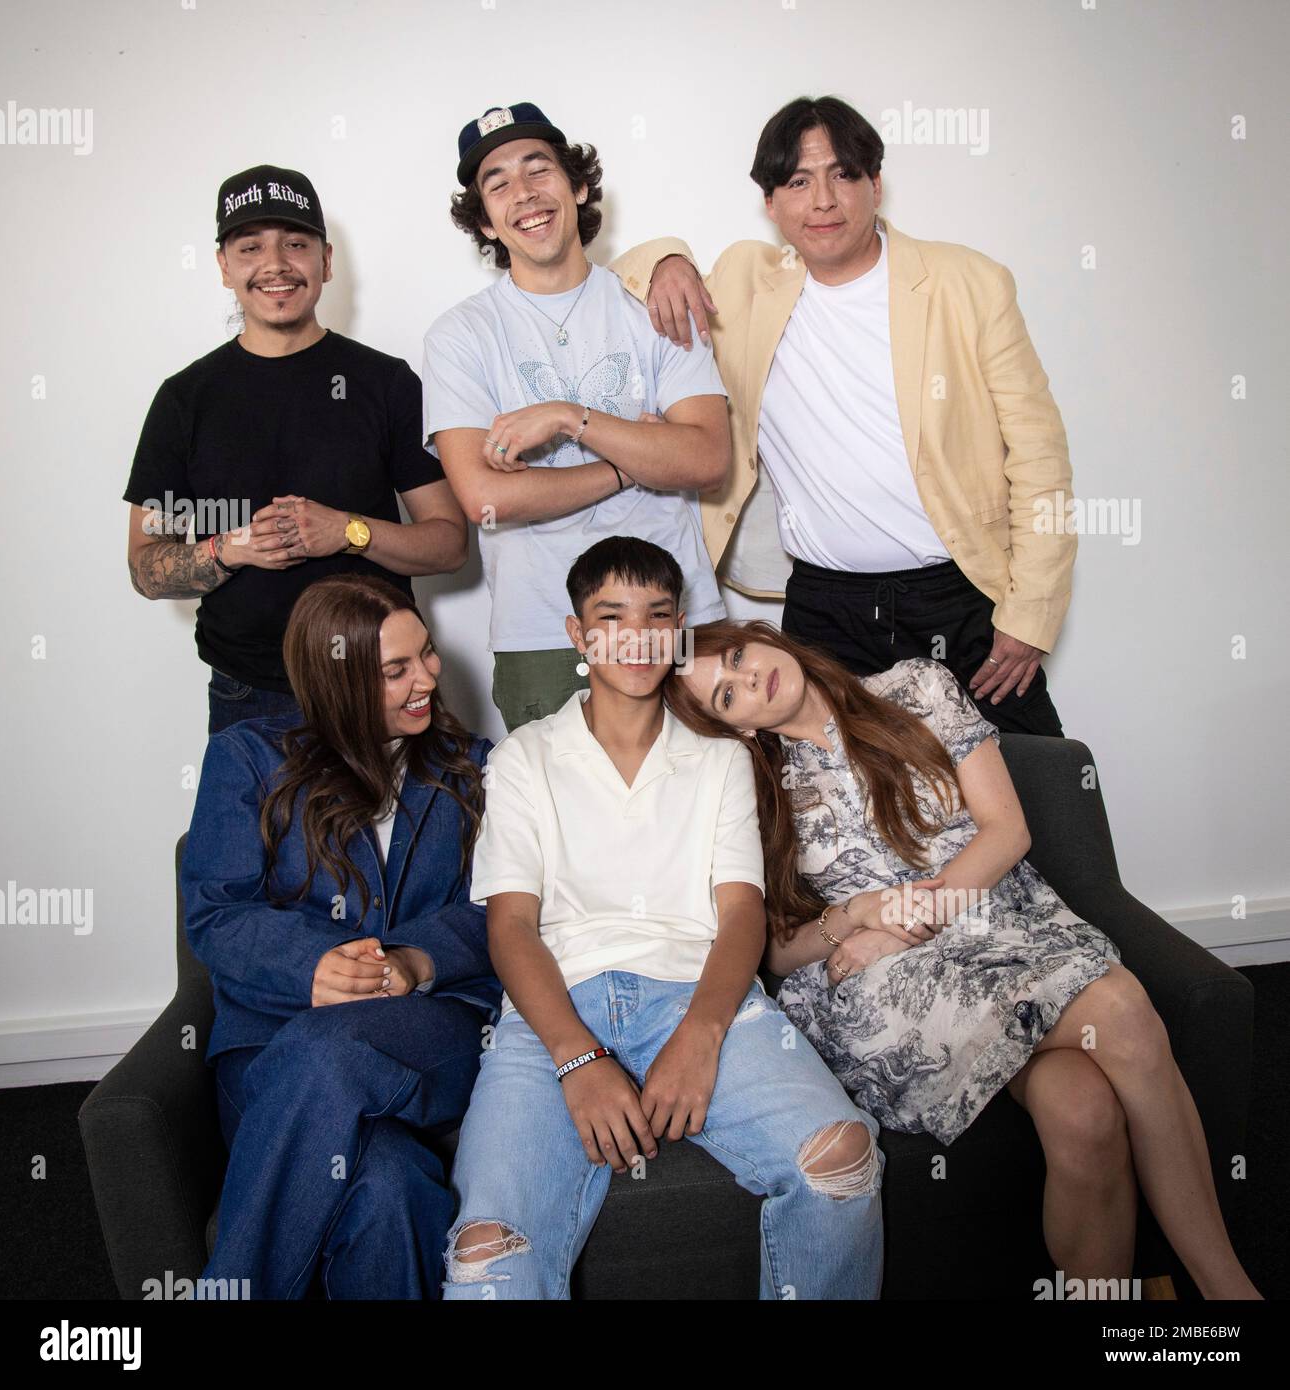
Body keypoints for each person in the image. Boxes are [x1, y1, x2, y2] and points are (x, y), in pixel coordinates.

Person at [664, 619, 1262, 1299]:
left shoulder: (916, 687)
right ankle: (1230, 1296)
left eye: (738, 657)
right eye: (727, 696)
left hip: (1001, 925)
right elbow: (774, 948)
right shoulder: (757, 792)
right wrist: (859, 917)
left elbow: (1008, 829)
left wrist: (902, 923)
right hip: (892, 993)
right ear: (738, 729)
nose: (748, 678)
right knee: (1122, 1012)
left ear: (761, 637)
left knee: (1084, 1113)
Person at [442, 537, 884, 1299]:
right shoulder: (523, 758)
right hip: (556, 1003)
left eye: (655, 616)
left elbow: (741, 910)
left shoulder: (719, 758)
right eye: (610, 617)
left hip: (696, 989)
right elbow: (511, 928)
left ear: (679, 628)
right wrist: (578, 1060)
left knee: (842, 1161)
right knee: (488, 1254)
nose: (636, 637)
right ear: (578, 635)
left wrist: (703, 1033)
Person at [611, 95, 1076, 735]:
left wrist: (1032, 615)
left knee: (1035, 799)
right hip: (826, 612)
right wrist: (667, 260)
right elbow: (613, 279)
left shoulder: (967, 283)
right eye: (798, 182)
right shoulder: (747, 285)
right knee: (853, 819)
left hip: (960, 596)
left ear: (875, 185)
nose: (823, 201)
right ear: (771, 204)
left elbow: (1040, 457)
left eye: (843, 174)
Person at [181, 573, 500, 1298]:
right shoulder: (246, 759)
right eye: (397, 670)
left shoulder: (473, 769)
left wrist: (418, 958)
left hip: (432, 1035)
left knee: (332, 1048)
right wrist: (310, 967)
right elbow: (215, 912)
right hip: (274, 1046)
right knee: (391, 1188)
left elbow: (505, 910)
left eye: (426, 654)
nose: (427, 678)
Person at [125, 163, 469, 734]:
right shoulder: (185, 398)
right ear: (224, 266)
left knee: (400, 827)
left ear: (325, 261)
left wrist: (349, 531)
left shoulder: (385, 384)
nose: (275, 265)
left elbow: (449, 544)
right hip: (247, 692)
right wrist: (230, 548)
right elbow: (144, 566)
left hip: (378, 685)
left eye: (295, 244)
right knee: (253, 830)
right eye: (250, 247)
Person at [424, 104, 729, 733]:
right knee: (558, 825)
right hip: (541, 629)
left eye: (540, 170)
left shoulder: (655, 300)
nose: (525, 194)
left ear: (578, 185)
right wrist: (631, 464)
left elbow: (704, 458)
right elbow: (486, 497)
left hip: (678, 619)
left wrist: (570, 418)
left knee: (708, 811)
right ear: (484, 219)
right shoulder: (460, 335)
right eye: (498, 183)